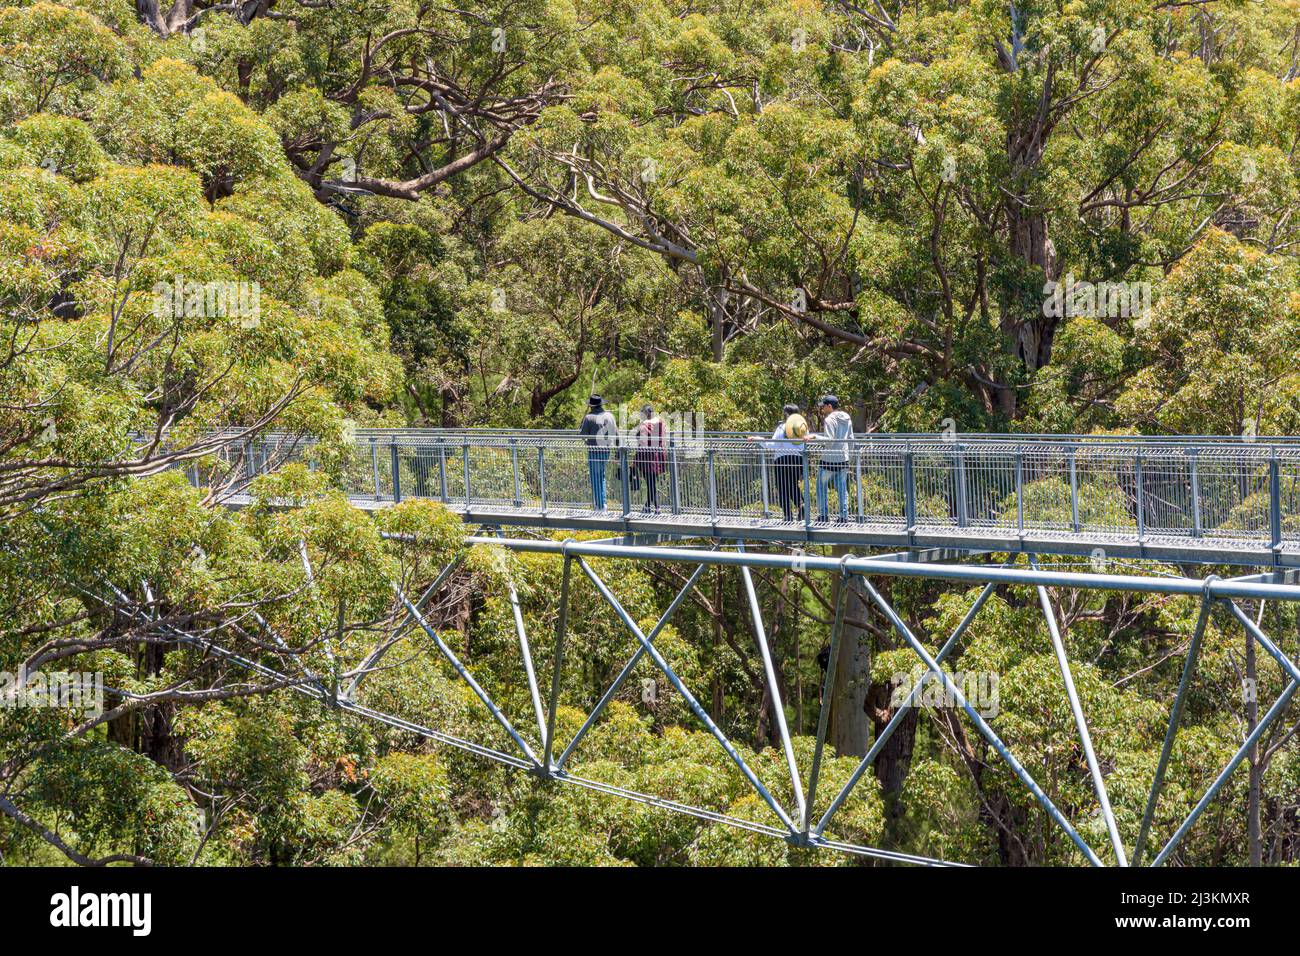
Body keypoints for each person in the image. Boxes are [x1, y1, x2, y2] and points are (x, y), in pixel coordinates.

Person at [749, 403, 807, 521]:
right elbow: (803, 445)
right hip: (797, 459)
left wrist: (758, 439)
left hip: (782, 459)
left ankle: (788, 515)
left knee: (782, 487)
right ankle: (801, 505)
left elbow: (773, 444)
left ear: (786, 414)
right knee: (792, 485)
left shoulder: (782, 427)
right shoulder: (802, 426)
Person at [811, 394, 854, 522]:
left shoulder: (829, 419)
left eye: (823, 406)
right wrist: (849, 456)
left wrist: (814, 437)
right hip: (843, 458)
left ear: (829, 406)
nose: (822, 409)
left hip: (829, 460)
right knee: (842, 488)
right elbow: (851, 439)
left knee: (821, 486)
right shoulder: (847, 418)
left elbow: (829, 441)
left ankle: (823, 516)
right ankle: (843, 517)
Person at [579, 395, 617, 510]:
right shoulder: (610, 416)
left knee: (595, 477)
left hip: (594, 451)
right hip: (606, 450)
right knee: (602, 476)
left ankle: (599, 506)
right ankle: (603, 503)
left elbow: (582, 435)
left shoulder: (589, 417)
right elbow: (616, 432)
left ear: (591, 406)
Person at [632, 404, 667, 512]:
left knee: (650, 482)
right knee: (652, 482)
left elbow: (640, 439)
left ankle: (656, 507)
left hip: (646, 457)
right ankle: (649, 506)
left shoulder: (644, 425)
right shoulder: (661, 423)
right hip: (658, 456)